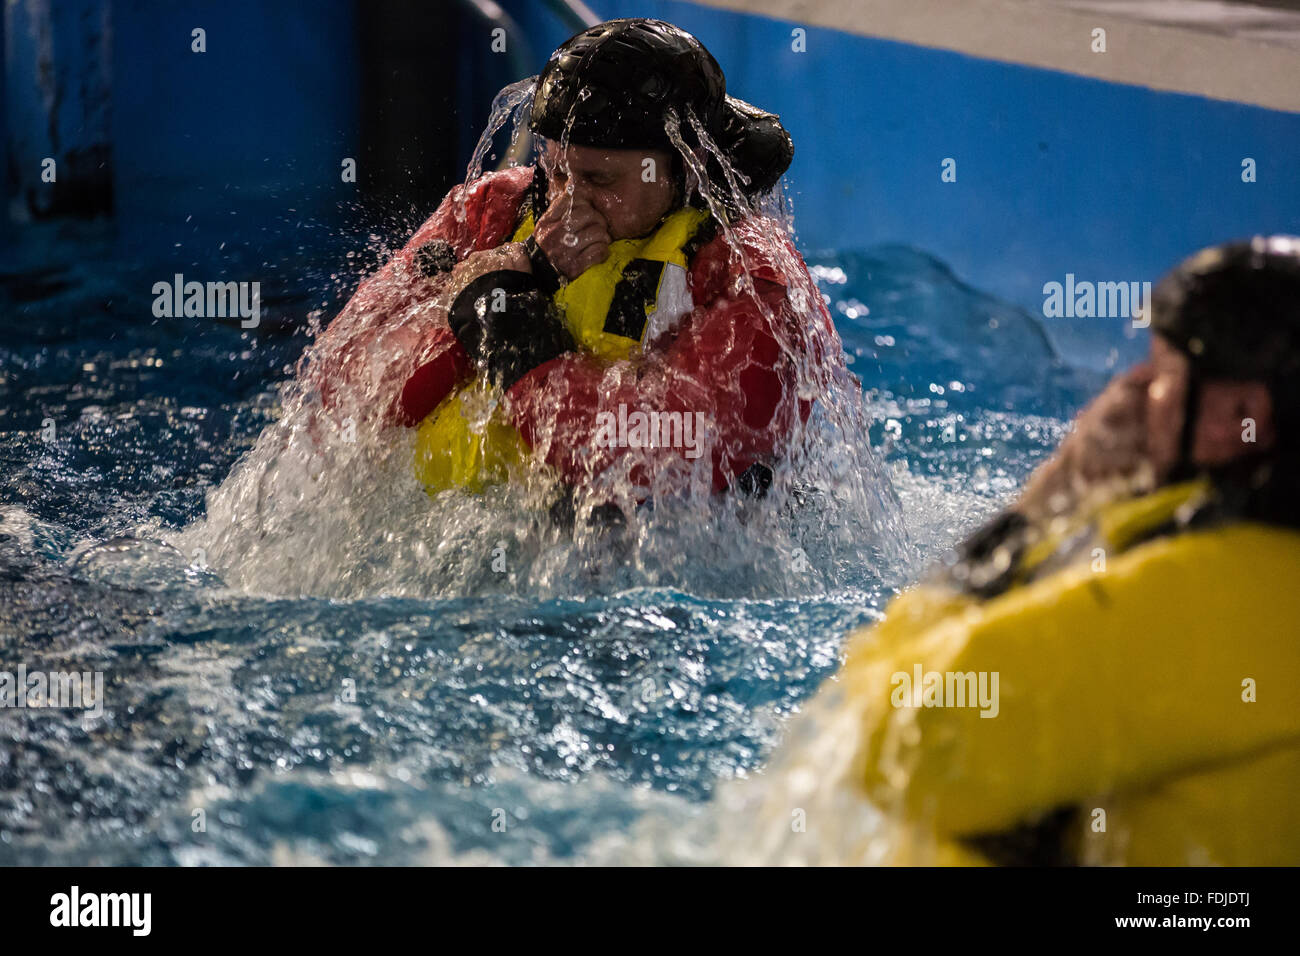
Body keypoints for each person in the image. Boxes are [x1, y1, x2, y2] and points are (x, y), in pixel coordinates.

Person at [834, 237, 1300, 865]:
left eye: (1162, 372)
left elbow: (899, 744)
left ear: (1243, 412)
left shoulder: (1198, 595)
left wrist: (1037, 509)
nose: (1132, 387)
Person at [306, 18, 839, 507]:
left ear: (687, 161)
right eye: (557, 172)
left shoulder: (752, 277)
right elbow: (346, 390)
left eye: (601, 181)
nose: (566, 204)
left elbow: (665, 451)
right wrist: (516, 274)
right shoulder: (490, 214)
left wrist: (513, 326)